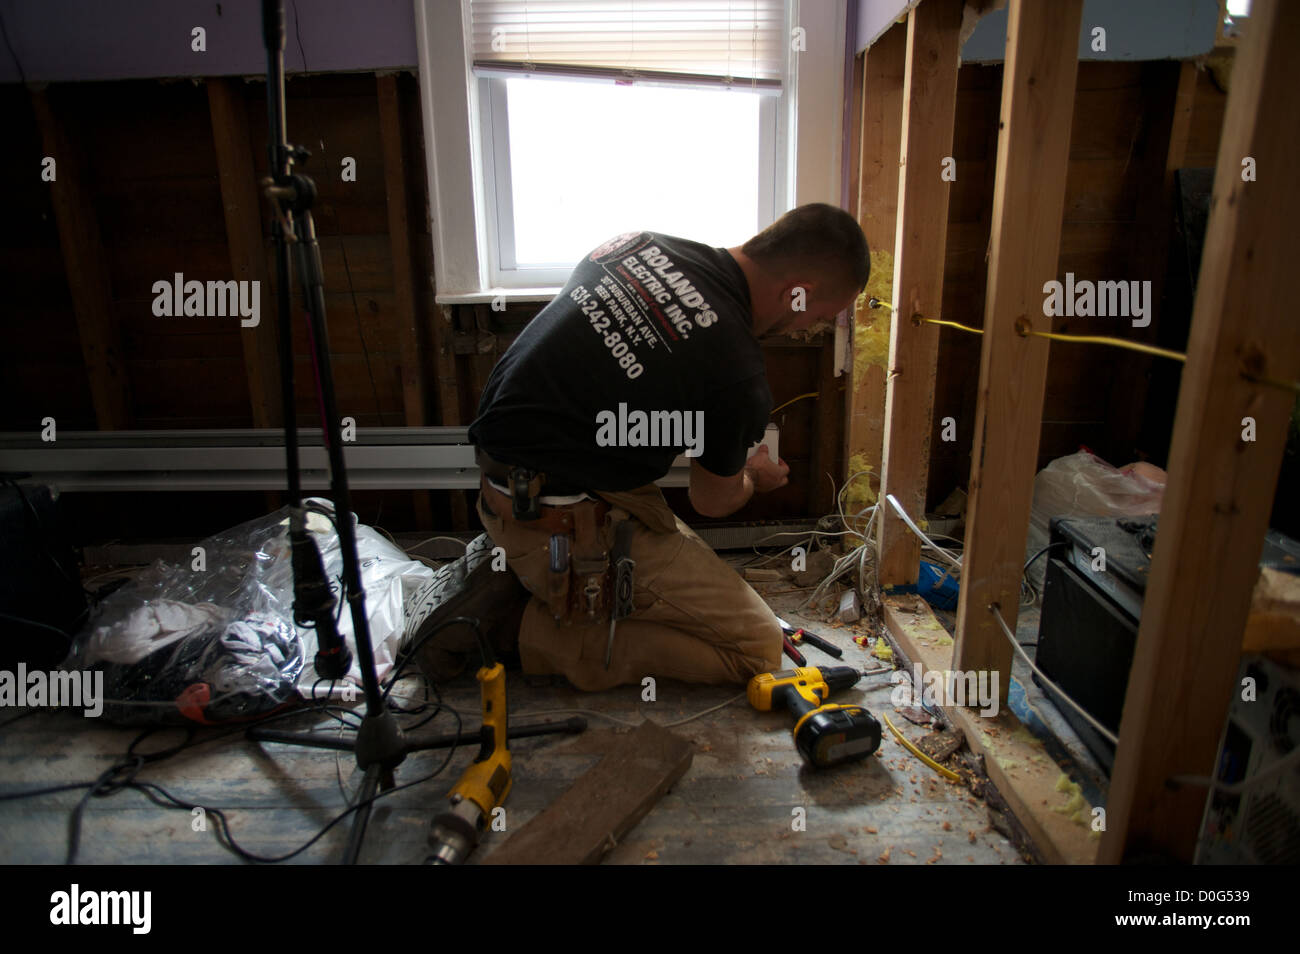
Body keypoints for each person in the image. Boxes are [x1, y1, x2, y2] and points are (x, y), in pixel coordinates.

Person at [406, 203, 869, 691]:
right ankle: (511, 625)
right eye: (818, 316)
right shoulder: (736, 368)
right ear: (800, 292)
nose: (808, 329)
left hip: (507, 487)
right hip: (560, 522)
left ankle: (517, 570)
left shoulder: (638, 244)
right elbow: (710, 500)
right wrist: (755, 476)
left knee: (682, 564)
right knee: (755, 647)